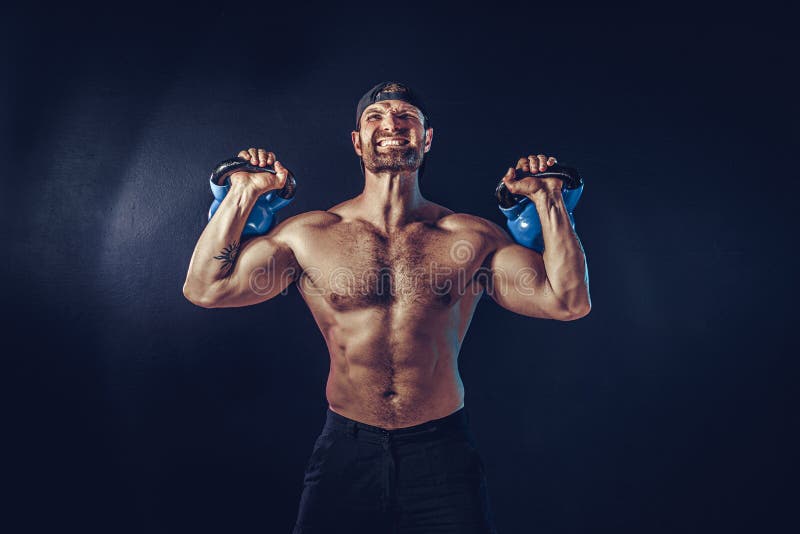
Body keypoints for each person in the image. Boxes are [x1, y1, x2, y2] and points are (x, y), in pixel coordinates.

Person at [182, 81, 591, 533]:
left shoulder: (469, 237)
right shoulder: (310, 235)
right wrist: (243, 192)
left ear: (426, 138)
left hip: (441, 454)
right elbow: (206, 288)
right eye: (375, 117)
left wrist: (550, 199)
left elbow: (567, 300)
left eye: (406, 116)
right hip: (346, 450)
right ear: (358, 142)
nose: (391, 124)